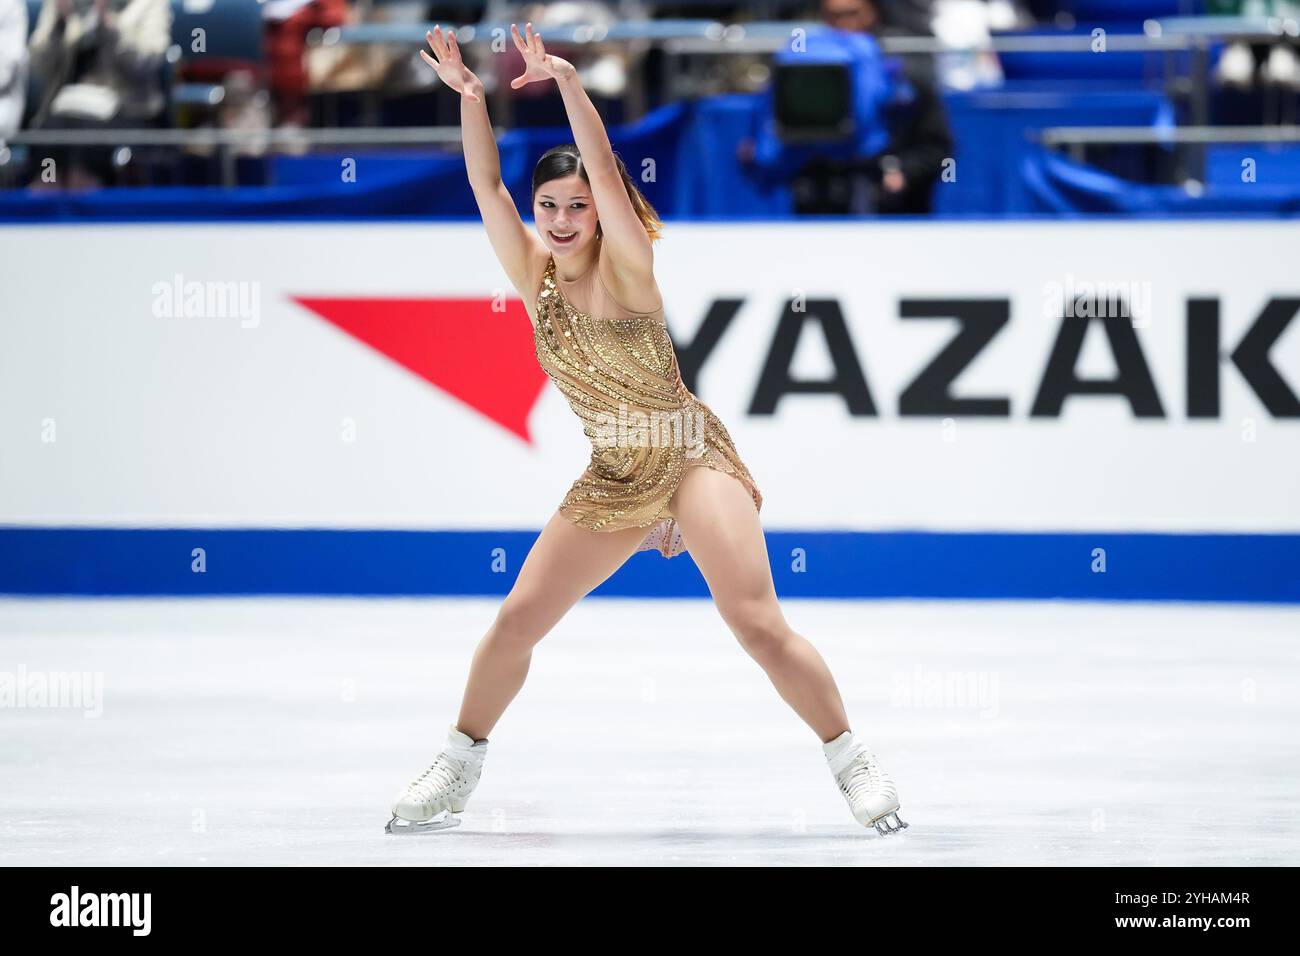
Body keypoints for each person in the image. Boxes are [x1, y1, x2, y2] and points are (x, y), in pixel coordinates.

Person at [384, 23, 909, 837]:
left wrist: (567, 84)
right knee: (516, 621)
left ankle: (852, 760)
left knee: (757, 624)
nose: (560, 220)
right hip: (615, 474)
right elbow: (487, 188)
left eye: (577, 207)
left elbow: (599, 165)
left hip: (690, 458)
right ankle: (457, 763)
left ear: (604, 213)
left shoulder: (629, 270)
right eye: (549, 207)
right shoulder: (534, 278)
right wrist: (472, 99)